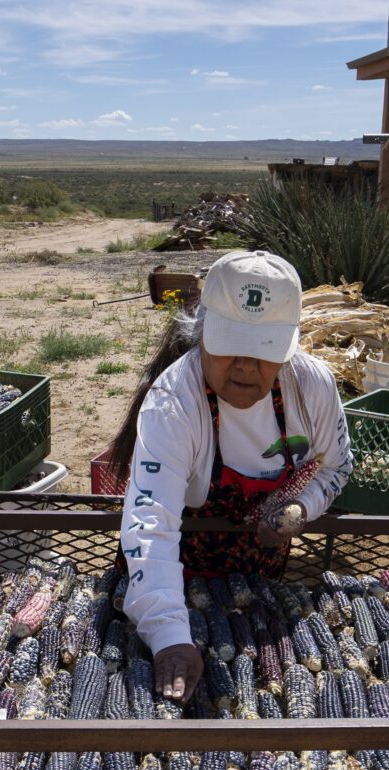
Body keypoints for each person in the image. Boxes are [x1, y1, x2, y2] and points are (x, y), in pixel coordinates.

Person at [111, 250, 350, 704]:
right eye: (228, 347)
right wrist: (168, 636)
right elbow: (150, 521)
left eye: (263, 353)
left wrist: (303, 507)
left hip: (257, 586)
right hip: (168, 575)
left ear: (289, 346)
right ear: (201, 333)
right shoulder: (174, 403)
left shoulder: (313, 388)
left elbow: (337, 467)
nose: (244, 366)